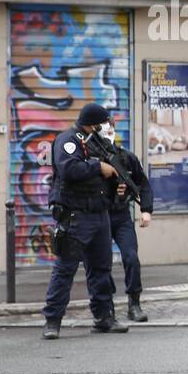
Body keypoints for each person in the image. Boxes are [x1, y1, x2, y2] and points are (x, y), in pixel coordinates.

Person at [41, 103, 129, 339]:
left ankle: (104, 317)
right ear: (93, 123)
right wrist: (98, 166)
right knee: (65, 269)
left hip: (100, 215)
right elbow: (69, 169)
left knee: (101, 269)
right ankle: (52, 321)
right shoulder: (68, 140)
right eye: (103, 123)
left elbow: (109, 176)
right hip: (75, 215)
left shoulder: (99, 143)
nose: (106, 127)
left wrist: (118, 185)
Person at [99, 117, 154, 323]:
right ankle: (107, 306)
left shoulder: (126, 157)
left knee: (131, 257)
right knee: (101, 263)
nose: (108, 135)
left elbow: (143, 184)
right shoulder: (91, 157)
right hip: (99, 215)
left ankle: (134, 304)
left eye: (110, 130)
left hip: (121, 215)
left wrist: (146, 210)